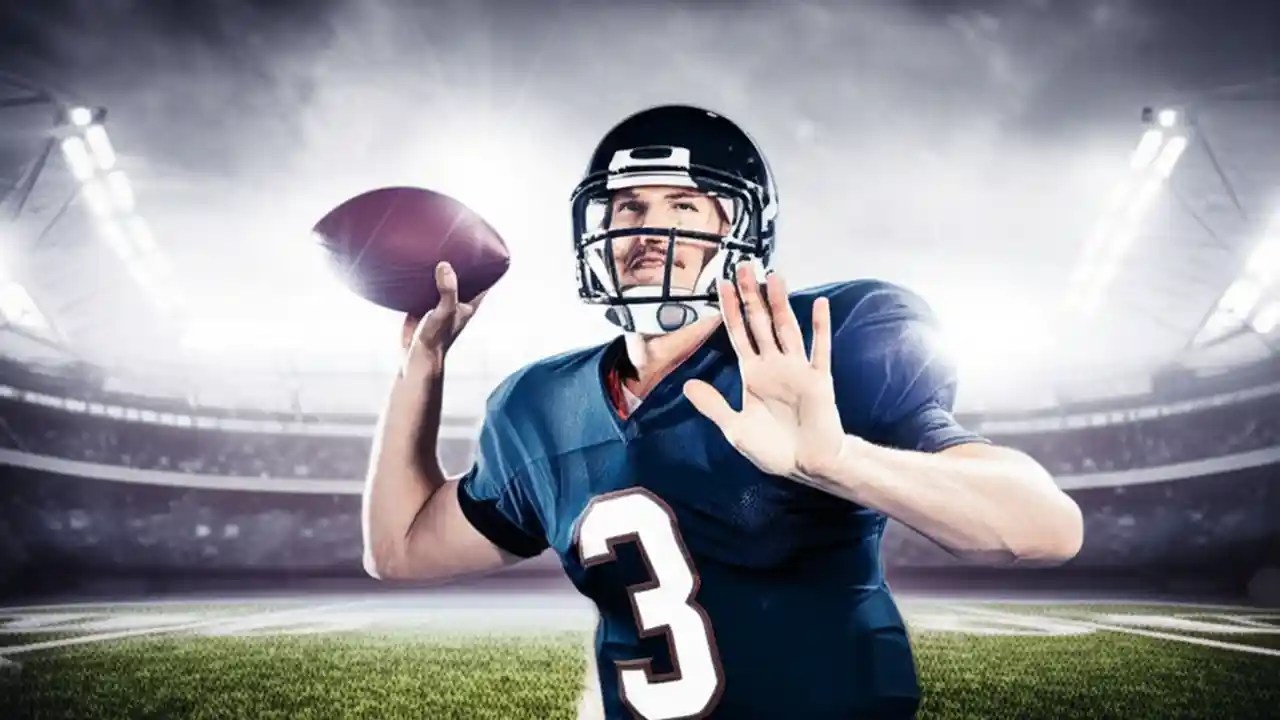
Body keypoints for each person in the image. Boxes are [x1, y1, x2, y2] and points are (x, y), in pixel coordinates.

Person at [362, 104, 1083, 719]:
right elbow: (399, 549)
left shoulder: (825, 344)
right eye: (628, 207)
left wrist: (838, 461)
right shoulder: (539, 405)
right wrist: (419, 370)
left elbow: (1046, 528)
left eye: (684, 205)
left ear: (742, 230)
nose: (648, 229)